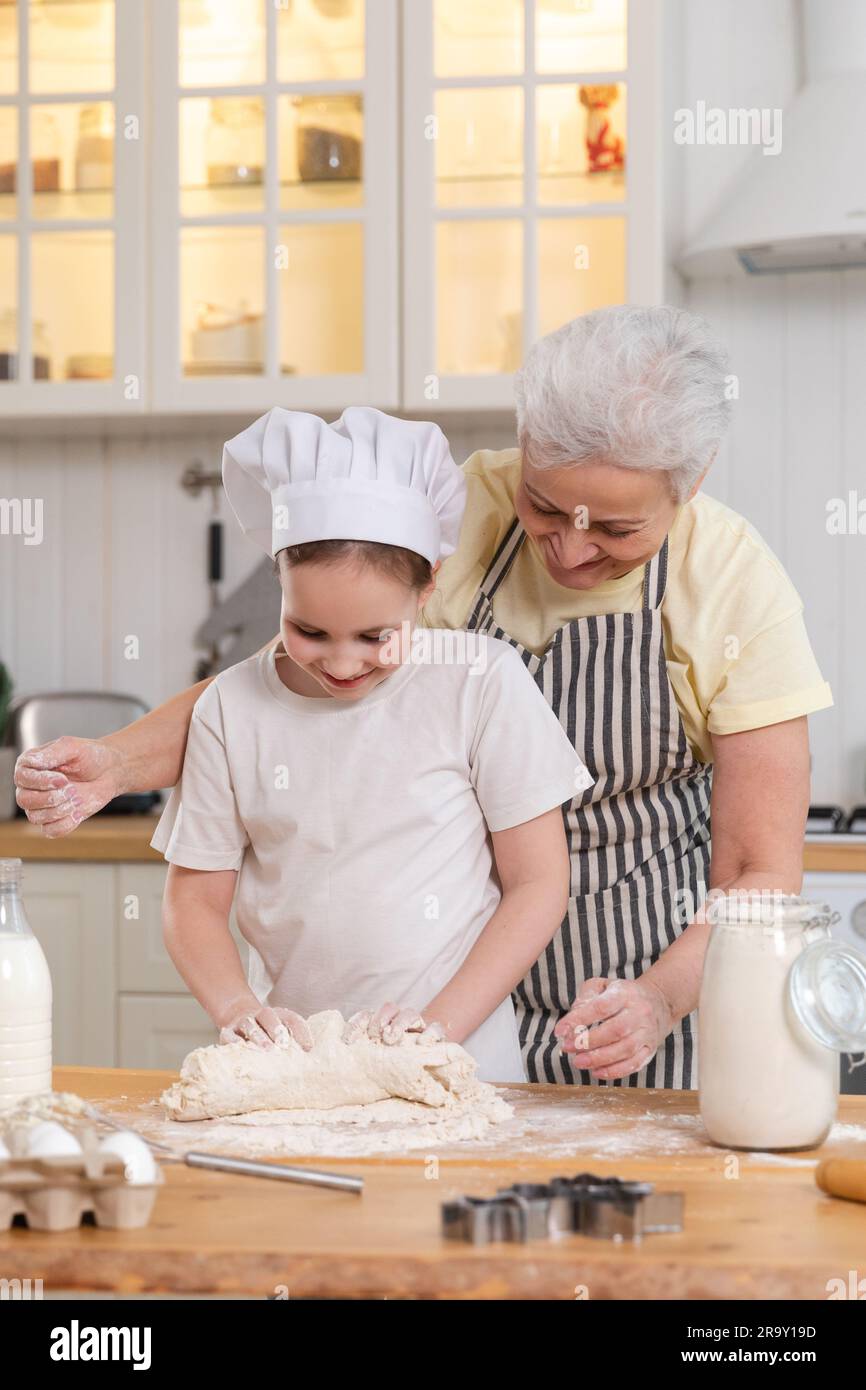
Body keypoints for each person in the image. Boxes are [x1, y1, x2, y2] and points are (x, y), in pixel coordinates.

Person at [15, 307, 832, 1090]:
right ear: (524, 442)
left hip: (641, 994)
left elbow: (761, 869)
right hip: (444, 998)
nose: (572, 550)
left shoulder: (730, 583)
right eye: (545, 506)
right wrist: (115, 763)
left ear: (692, 483)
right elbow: (270, 686)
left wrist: (659, 998)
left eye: (616, 531)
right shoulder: (455, 514)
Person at [147, 406, 587, 1082]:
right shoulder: (230, 710)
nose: (344, 663)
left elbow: (539, 885)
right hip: (296, 1069)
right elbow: (193, 904)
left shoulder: (481, 683)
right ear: (279, 584)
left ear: (428, 588)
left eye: (375, 636)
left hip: (460, 1061)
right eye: (310, 631)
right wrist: (234, 1005)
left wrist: (435, 1030)